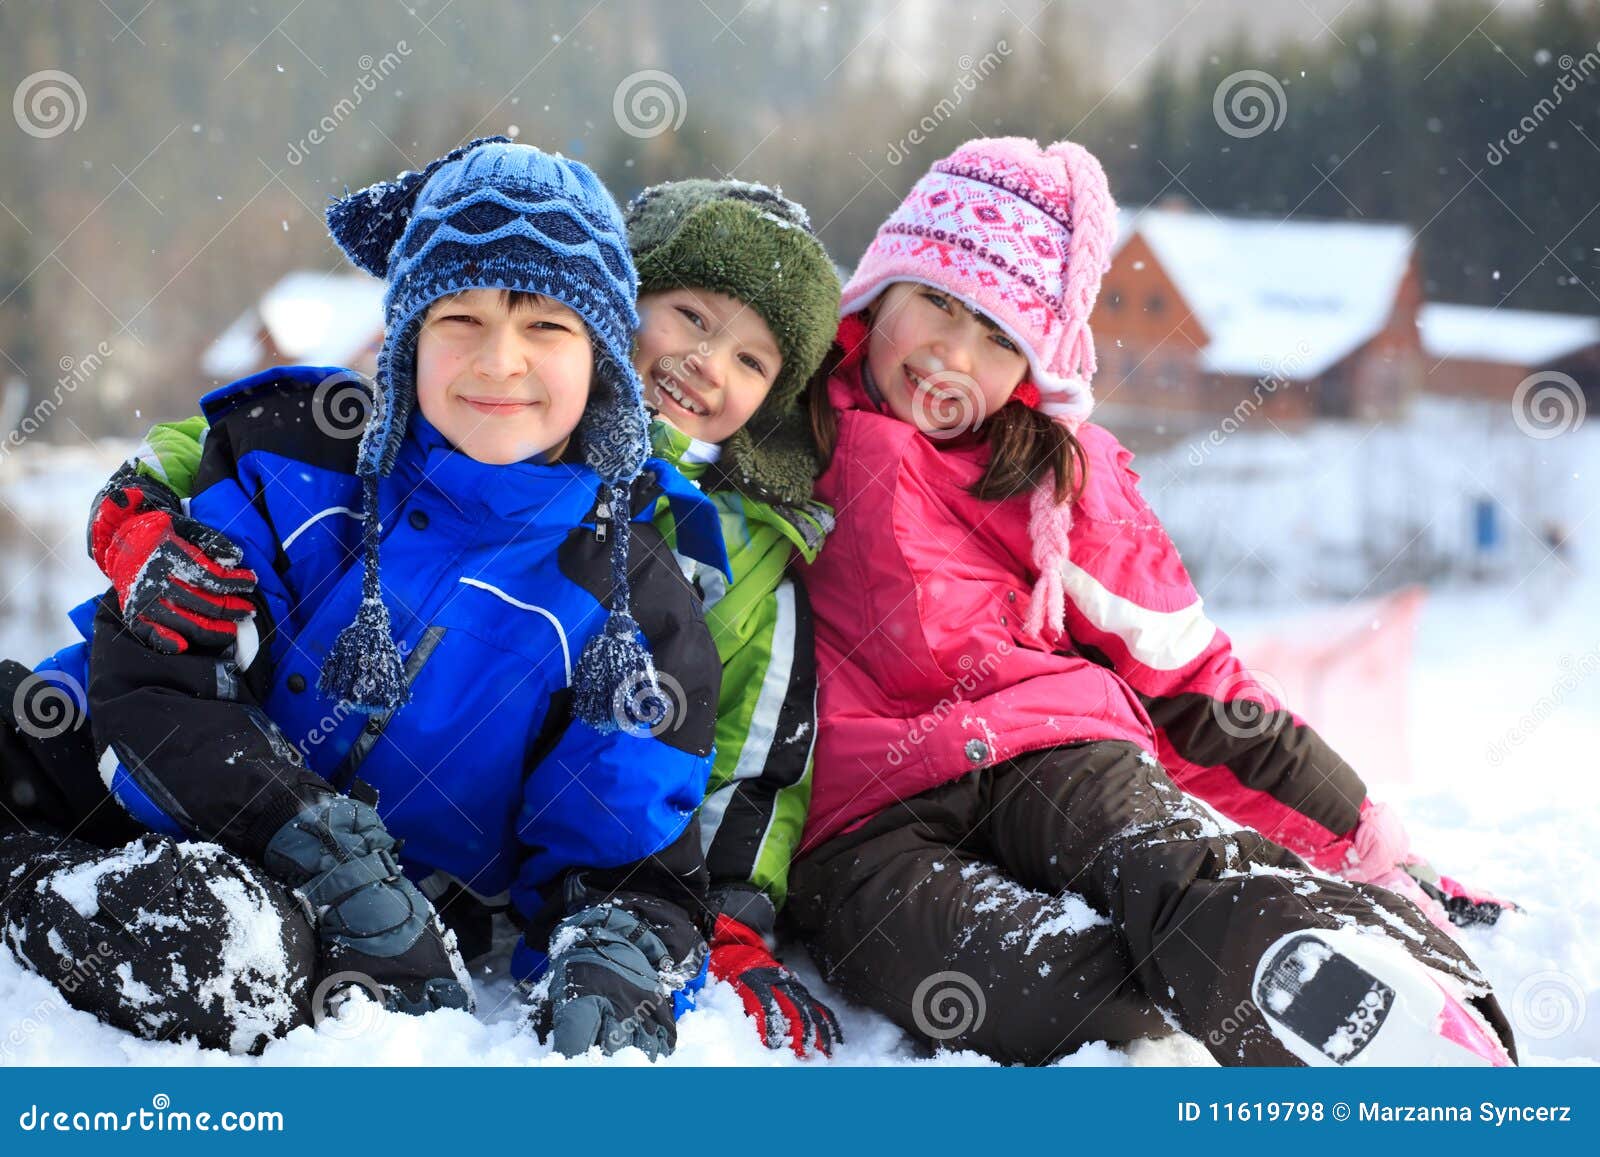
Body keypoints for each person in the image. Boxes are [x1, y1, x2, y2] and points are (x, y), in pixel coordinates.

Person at [44, 176, 851, 1059]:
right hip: (100, 777)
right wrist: (311, 835)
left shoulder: (639, 604)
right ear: (406, 341)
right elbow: (165, 672)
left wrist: (618, 953)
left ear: (599, 357)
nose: (499, 360)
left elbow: (627, 843)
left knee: (263, 957)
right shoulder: (300, 457)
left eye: (547, 325)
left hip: (398, 904)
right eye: (458, 318)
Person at [786, 136, 1518, 1066]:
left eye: (1001, 337)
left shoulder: (1053, 481)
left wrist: (1361, 831)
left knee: (1162, 862)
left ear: (1036, 367)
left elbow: (1191, 680)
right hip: (858, 822)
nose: (951, 356)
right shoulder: (789, 424)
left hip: (1048, 749)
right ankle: (1158, 1036)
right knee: (1000, 974)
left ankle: (1358, 975)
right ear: (878, 287)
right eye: (935, 301)